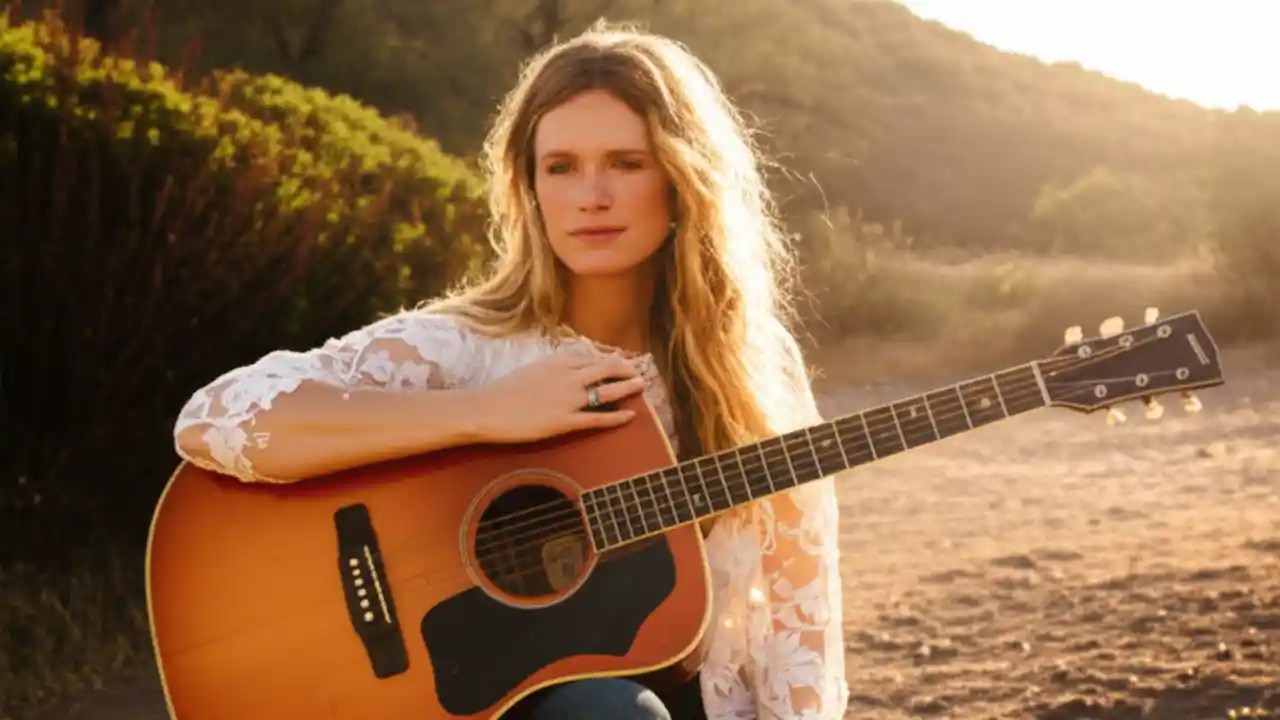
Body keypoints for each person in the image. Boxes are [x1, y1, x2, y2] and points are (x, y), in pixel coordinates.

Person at [173, 21, 848, 720]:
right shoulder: (470, 346)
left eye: (625, 162)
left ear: (683, 182)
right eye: (560, 166)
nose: (592, 195)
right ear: (528, 188)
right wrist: (487, 411)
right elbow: (215, 420)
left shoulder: (751, 364)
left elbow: (803, 617)